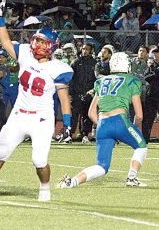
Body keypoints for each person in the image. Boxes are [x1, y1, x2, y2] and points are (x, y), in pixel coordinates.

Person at [0, 0, 73, 202]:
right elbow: (4, 41)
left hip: (42, 118)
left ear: (51, 46)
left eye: (42, 42)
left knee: (39, 160)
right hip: (19, 114)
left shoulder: (59, 68)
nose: (37, 44)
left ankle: (45, 189)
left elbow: (63, 98)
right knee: (1, 152)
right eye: (36, 40)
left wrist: (66, 123)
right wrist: (0, 18)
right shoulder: (25, 55)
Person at [57, 52, 148, 188]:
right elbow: (139, 115)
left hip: (103, 124)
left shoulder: (101, 81)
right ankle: (132, 178)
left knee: (101, 166)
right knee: (141, 147)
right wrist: (134, 129)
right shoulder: (132, 80)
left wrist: (103, 127)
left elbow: (91, 112)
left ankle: (73, 181)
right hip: (120, 121)